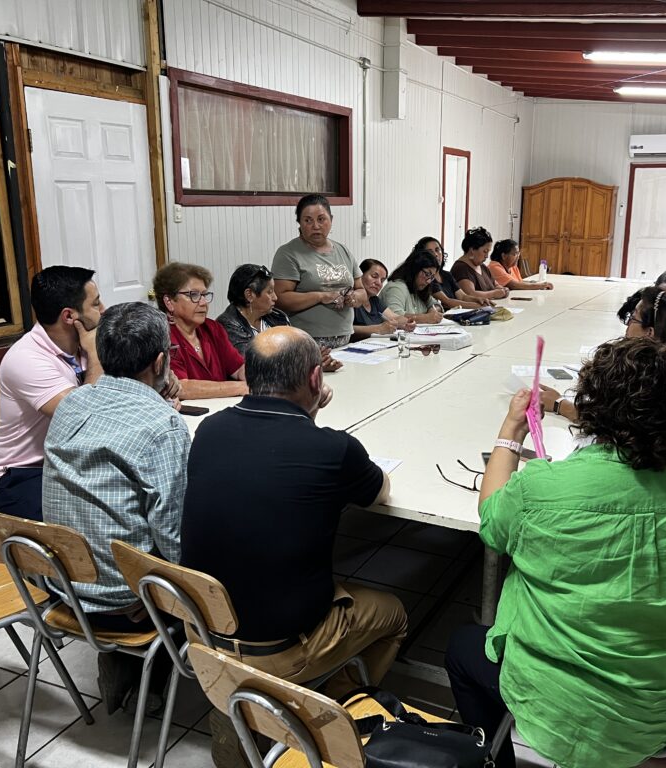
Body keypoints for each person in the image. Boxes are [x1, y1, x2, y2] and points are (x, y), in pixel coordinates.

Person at [446, 337, 666, 768]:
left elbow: (492, 522)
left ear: (591, 409)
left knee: (461, 648)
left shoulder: (544, 486)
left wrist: (510, 431)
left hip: (573, 710)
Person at [181, 326, 406, 767]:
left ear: (249, 374)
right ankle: (323, 710)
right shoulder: (334, 449)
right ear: (316, 380)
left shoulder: (209, 429)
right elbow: (380, 491)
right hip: (277, 649)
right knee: (394, 613)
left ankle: (249, 714)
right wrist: (315, 426)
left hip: (202, 635)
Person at [42, 302, 190, 713]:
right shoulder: (163, 425)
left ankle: (123, 665)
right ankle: (153, 674)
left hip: (60, 585)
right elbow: (173, 536)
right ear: (160, 362)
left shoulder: (72, 402)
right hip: (126, 603)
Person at [0, 266, 106, 521]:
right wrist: (95, 355)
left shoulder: (81, 345)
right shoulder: (26, 359)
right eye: (95, 304)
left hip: (67, 462)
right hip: (20, 474)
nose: (103, 309)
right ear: (70, 316)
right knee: (100, 513)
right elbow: (81, 420)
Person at [540, 286, 666, 421]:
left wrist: (559, 404)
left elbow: (611, 424)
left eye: (632, 319)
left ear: (649, 332)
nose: (627, 326)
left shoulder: (649, 379)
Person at [272, 194, 368, 349]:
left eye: (321, 219)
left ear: (331, 219)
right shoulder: (288, 253)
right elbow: (280, 299)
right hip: (306, 341)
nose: (315, 226)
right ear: (299, 223)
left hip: (344, 337)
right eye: (308, 220)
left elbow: (361, 290)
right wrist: (321, 296)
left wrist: (355, 297)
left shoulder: (343, 250)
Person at [217, 263, 343, 371]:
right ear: (249, 295)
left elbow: (295, 351)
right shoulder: (227, 325)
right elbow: (252, 365)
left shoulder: (277, 317)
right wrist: (306, 363)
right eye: (269, 292)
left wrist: (316, 362)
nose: (275, 298)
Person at [153, 262, 248, 400]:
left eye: (204, 294)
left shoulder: (212, 328)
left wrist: (259, 380)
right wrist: (241, 387)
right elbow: (181, 387)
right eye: (194, 295)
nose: (203, 302)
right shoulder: (162, 335)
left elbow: (238, 369)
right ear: (169, 302)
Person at [416, 236, 488, 310]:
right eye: (430, 252)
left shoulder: (446, 275)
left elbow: (463, 297)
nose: (436, 254)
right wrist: (478, 306)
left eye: (437, 250)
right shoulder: (427, 278)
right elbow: (447, 302)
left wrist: (479, 300)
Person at [352, 259, 417, 337]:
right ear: (360, 276)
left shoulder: (375, 300)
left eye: (382, 280)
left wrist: (408, 322)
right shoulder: (351, 298)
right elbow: (344, 329)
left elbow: (394, 317)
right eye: (374, 276)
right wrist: (378, 329)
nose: (379, 283)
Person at [379, 250, 444, 323]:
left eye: (432, 277)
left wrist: (433, 310)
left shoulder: (420, 289)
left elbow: (436, 304)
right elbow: (394, 317)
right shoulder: (396, 288)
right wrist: (425, 318)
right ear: (415, 269)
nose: (429, 281)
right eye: (427, 274)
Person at [451, 227, 510, 302]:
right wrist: (494, 294)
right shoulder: (460, 268)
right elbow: (470, 294)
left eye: (488, 252)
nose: (487, 256)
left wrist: (503, 290)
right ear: (472, 250)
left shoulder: (482, 266)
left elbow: (495, 285)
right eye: (485, 251)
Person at [488, 239, 552, 291]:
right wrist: (541, 285)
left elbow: (520, 282)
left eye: (518, 254)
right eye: (515, 254)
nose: (518, 257)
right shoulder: (494, 267)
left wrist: (535, 283)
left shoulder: (513, 267)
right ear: (504, 256)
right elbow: (514, 285)